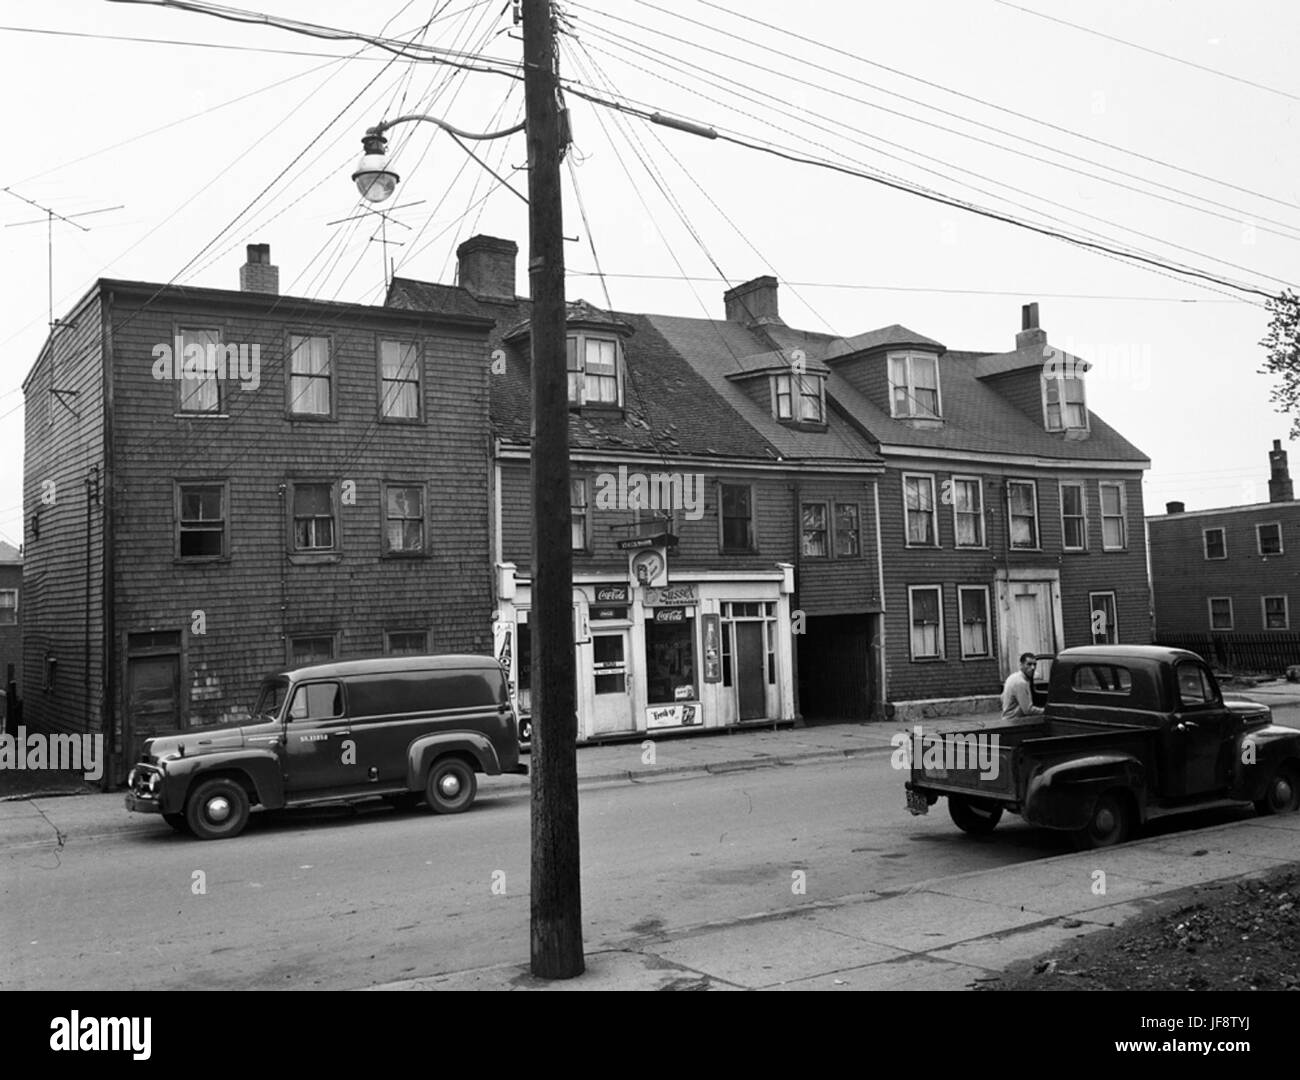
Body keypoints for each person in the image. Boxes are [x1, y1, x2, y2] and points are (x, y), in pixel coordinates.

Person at [1002, 652, 1046, 722]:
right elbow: (1028, 710)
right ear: (1021, 665)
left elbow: (1002, 697)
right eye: (1029, 664)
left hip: (1009, 719)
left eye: (1034, 664)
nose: (1033, 667)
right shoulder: (1021, 682)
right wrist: (1047, 710)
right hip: (1015, 721)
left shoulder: (1013, 677)